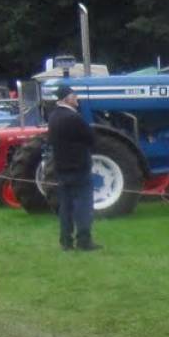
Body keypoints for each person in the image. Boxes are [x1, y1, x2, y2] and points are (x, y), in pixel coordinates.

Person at [45, 82, 97, 252]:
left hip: (61, 168)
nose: (77, 99)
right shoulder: (74, 118)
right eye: (74, 96)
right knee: (83, 205)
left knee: (65, 206)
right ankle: (84, 240)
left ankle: (65, 241)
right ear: (67, 98)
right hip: (79, 167)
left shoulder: (53, 117)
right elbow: (90, 138)